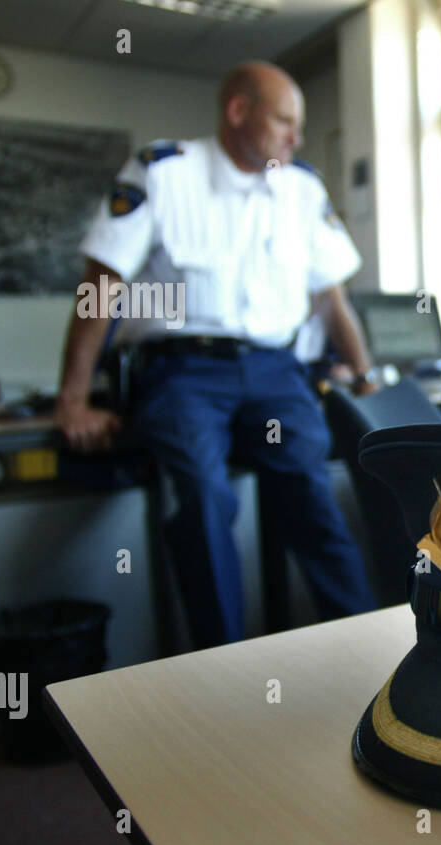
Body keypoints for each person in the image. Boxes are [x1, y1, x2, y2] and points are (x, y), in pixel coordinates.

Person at [54, 61, 380, 647]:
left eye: (298, 126)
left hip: (275, 372)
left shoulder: (301, 188)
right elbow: (101, 286)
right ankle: (223, 667)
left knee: (314, 494)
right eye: (284, 121)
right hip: (183, 373)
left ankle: (364, 653)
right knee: (205, 497)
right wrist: (72, 401)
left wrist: (365, 376)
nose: (295, 137)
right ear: (238, 111)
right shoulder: (164, 171)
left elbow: (331, 299)